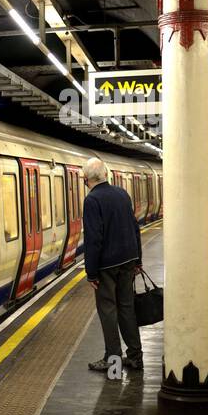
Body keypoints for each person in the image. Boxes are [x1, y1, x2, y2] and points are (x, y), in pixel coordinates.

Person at [81, 158, 144, 373]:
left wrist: (91, 273)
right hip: (128, 260)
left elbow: (93, 239)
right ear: (105, 174)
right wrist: (138, 259)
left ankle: (113, 360)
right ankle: (135, 356)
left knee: (108, 310)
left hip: (107, 265)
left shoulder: (92, 200)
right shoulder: (122, 194)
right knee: (127, 308)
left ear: (86, 179)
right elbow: (134, 228)